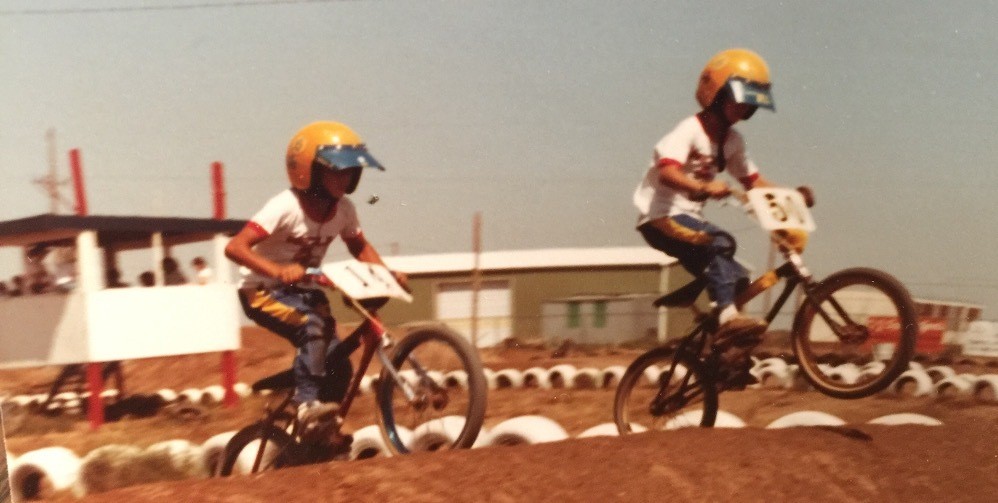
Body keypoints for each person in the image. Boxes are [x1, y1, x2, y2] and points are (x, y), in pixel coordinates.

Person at [633, 48, 808, 388]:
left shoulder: (732, 141)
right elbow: (666, 172)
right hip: (660, 217)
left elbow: (754, 183)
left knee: (740, 279)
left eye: (750, 104)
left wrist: (792, 197)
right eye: (739, 100)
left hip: (687, 218)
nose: (744, 109)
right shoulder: (690, 129)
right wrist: (702, 186)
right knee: (721, 242)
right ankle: (727, 318)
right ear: (717, 95)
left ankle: (722, 361)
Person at [225, 120, 407, 433]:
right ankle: (305, 404)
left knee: (339, 367)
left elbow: (359, 246)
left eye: (349, 172)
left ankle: (320, 433)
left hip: (306, 293)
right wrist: (278, 270)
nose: (344, 178)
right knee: (312, 327)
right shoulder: (285, 206)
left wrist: (386, 275)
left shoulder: (345, 209)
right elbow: (235, 246)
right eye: (335, 170)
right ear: (307, 170)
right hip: (262, 291)